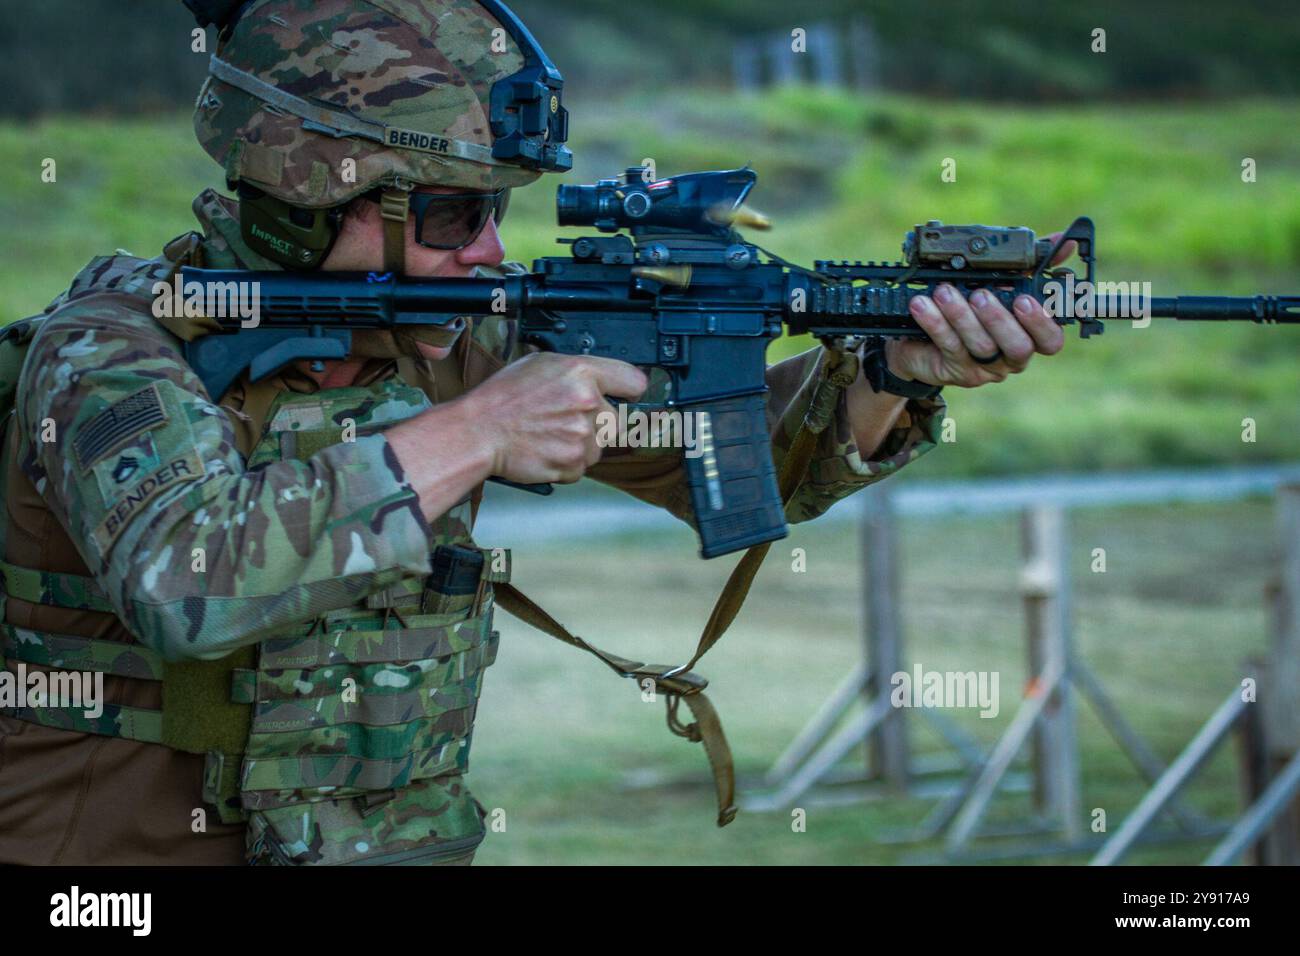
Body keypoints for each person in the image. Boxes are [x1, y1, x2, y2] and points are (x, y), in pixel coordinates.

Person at [0, 0, 1063, 865]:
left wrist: (885, 371)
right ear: (314, 192)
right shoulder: (113, 345)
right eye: (457, 216)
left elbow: (738, 467)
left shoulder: (450, 337)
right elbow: (187, 581)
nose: (490, 250)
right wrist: (479, 430)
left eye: (498, 211)